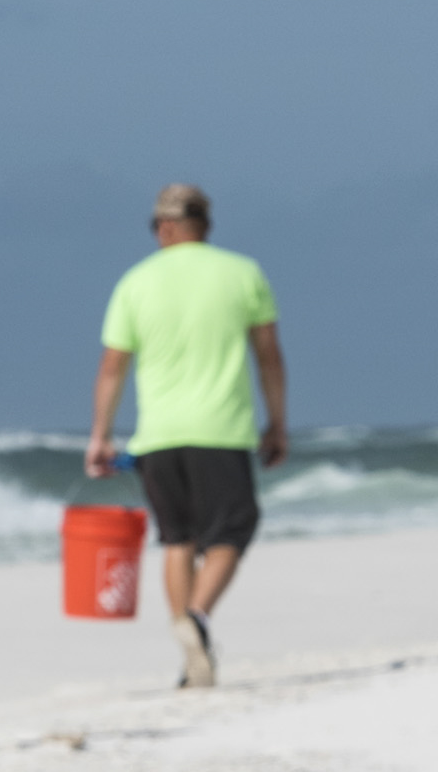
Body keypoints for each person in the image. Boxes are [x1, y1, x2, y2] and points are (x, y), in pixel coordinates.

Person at [83, 182, 288, 688]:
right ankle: (196, 618)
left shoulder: (135, 281)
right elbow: (268, 355)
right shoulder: (243, 273)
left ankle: (190, 655)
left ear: (166, 227)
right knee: (231, 532)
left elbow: (113, 367)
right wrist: (277, 421)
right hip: (221, 430)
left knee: (178, 540)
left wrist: (100, 435)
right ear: (204, 225)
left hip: (157, 436)